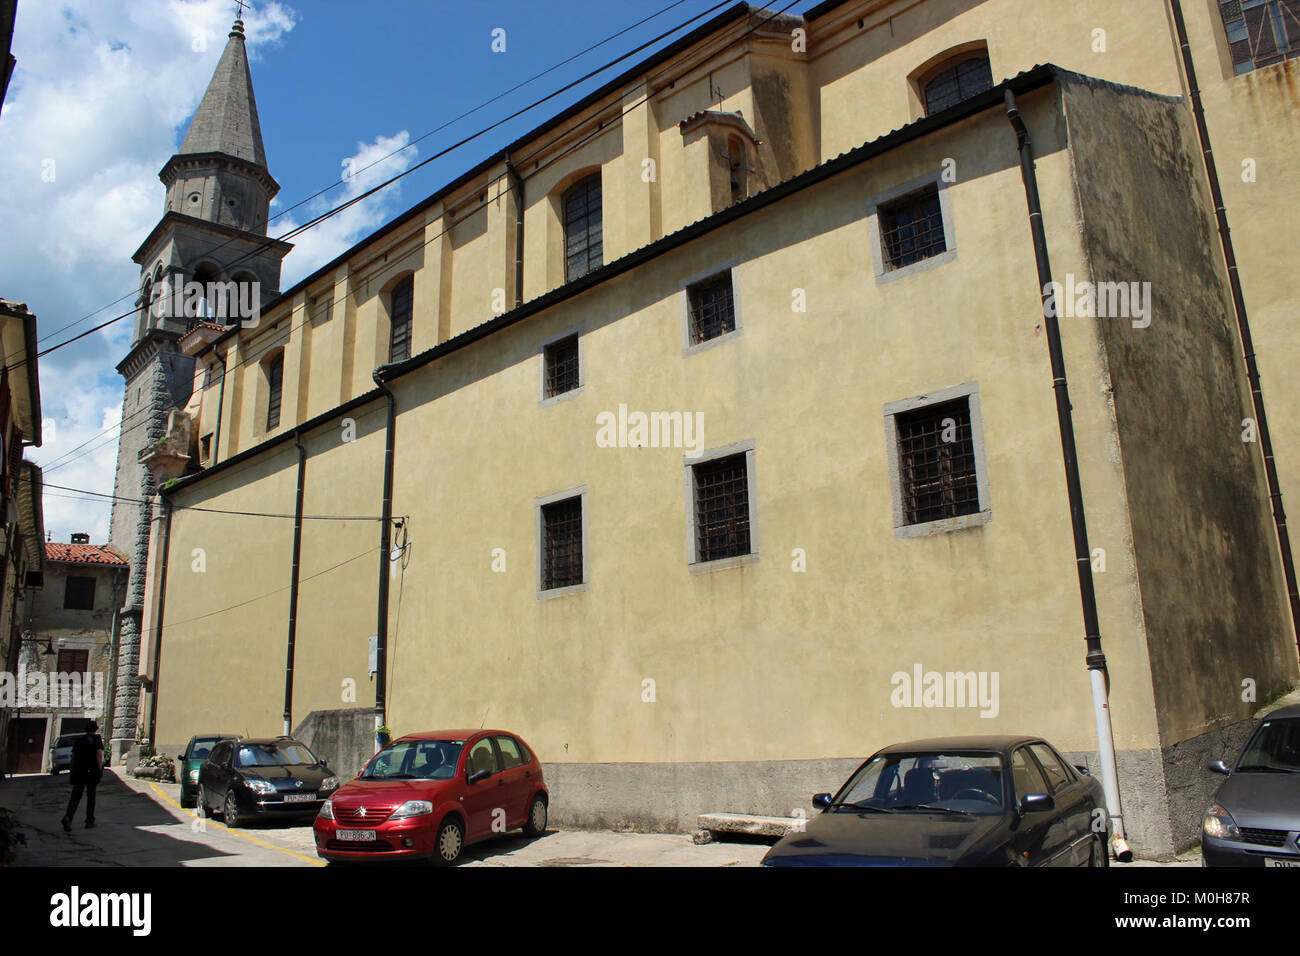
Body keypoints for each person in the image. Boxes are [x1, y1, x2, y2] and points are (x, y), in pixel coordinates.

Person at [61, 720, 104, 831]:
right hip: (92, 771)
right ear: (95, 729)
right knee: (91, 797)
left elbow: (73, 757)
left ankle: (68, 817)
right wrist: (100, 769)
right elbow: (99, 754)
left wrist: (72, 771)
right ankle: (89, 821)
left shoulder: (80, 740)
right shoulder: (96, 739)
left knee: (75, 796)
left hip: (79, 771)